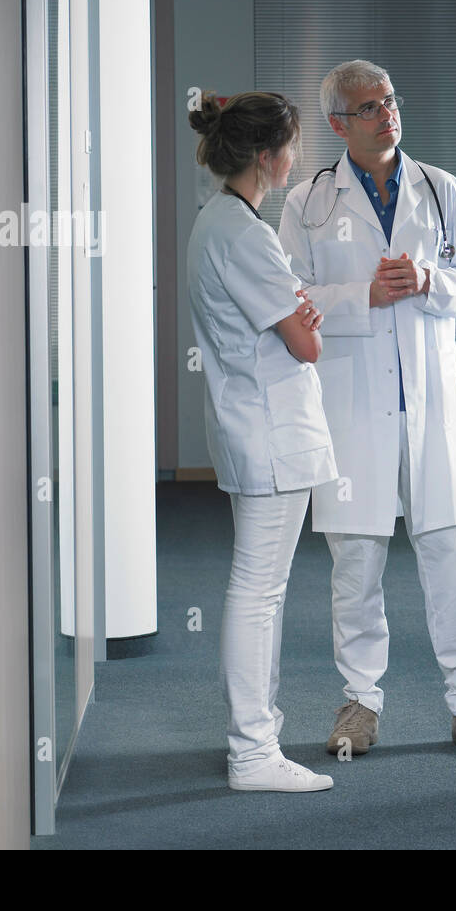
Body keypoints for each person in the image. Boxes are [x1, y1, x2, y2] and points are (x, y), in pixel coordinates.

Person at [278, 60, 456, 758]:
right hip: (353, 407)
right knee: (356, 560)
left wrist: (430, 279)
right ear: (339, 123)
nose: (388, 112)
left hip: (431, 406)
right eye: (371, 105)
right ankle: (360, 703)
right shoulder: (308, 204)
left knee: (449, 552)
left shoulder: (443, 190)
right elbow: (290, 297)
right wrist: (362, 296)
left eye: (392, 99)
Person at [187, 90, 338, 793]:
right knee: (257, 592)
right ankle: (252, 751)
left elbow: (291, 322)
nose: (297, 157)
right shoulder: (246, 235)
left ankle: (257, 739)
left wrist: (296, 311)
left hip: (257, 428)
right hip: (271, 434)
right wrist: (301, 314)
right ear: (264, 156)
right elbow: (305, 342)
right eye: (292, 145)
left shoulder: (218, 220)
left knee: (258, 590)